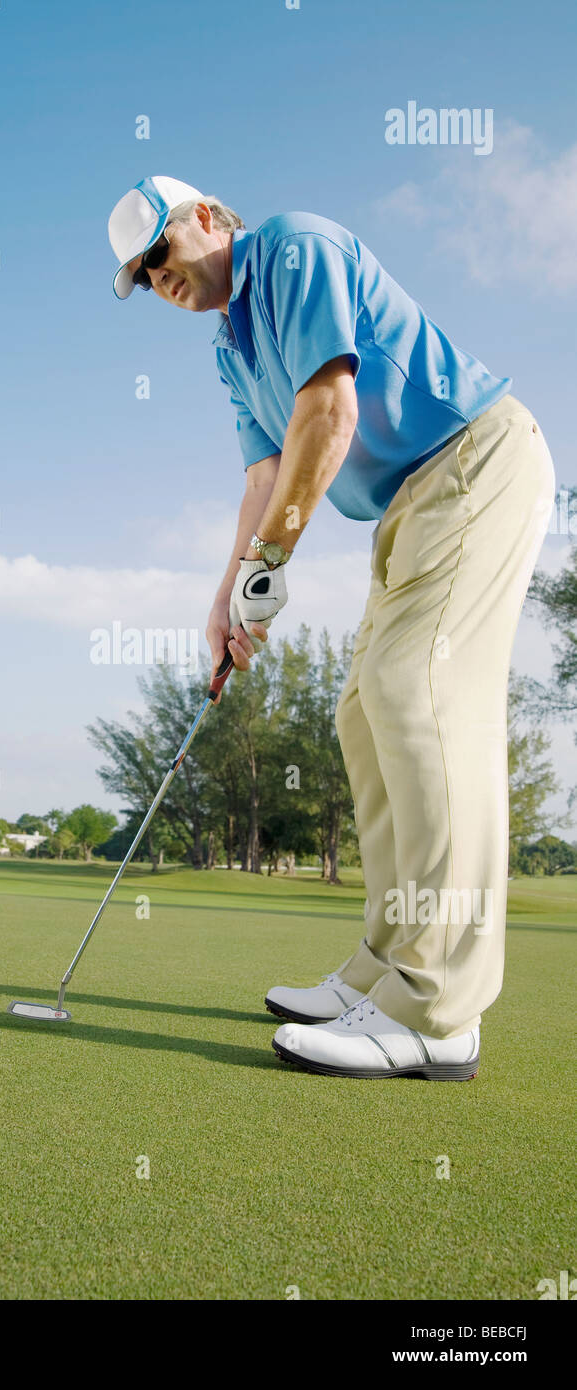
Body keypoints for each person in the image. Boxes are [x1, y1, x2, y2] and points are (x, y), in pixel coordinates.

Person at [107, 175, 555, 1081]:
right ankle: (384, 973)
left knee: (417, 697)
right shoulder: (230, 349)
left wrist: (272, 560)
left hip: (474, 459)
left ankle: (439, 1010)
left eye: (159, 254)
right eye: (141, 276)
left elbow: (330, 411)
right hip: (410, 504)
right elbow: (262, 478)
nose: (158, 278)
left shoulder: (293, 248)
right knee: (365, 709)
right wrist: (229, 595)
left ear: (205, 217)